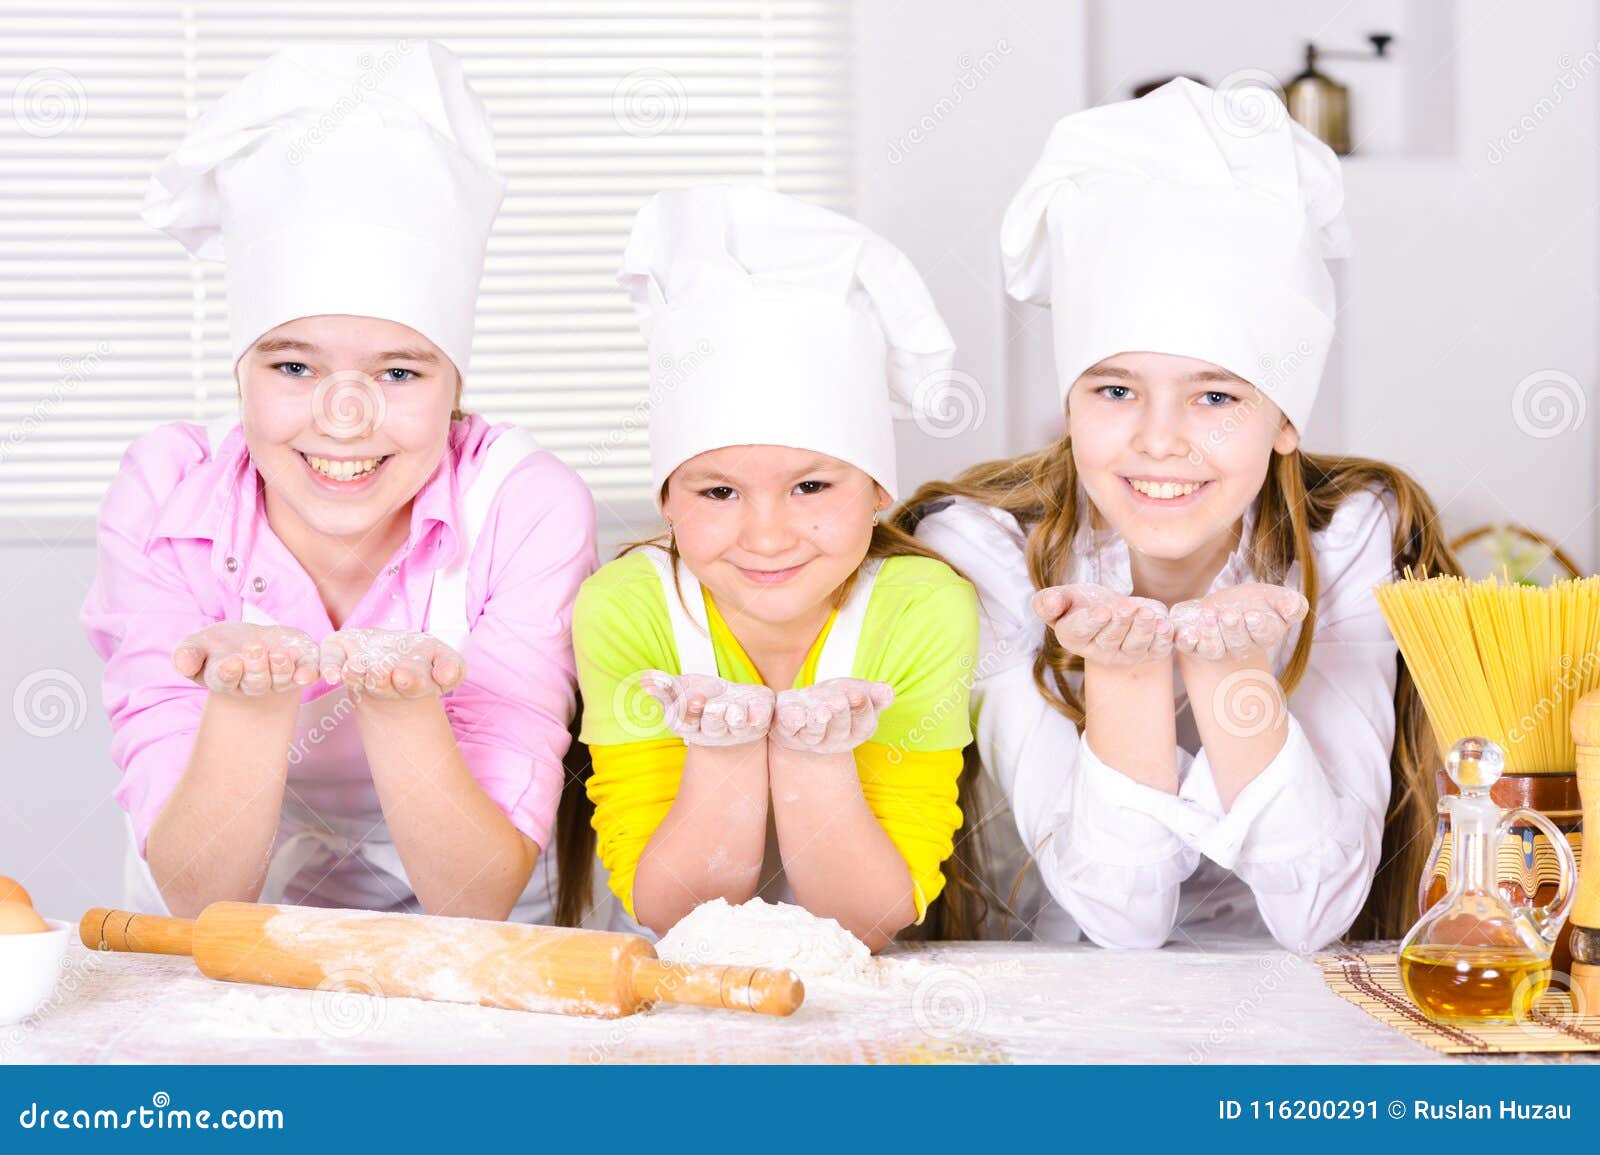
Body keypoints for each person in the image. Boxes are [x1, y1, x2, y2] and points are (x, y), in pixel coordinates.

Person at [900, 79, 1456, 951]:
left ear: (1285, 419)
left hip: (1294, 997)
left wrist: (1231, 668)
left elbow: (1318, 912)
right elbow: (1119, 920)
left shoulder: (1348, 534)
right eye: (1116, 390)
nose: (1159, 440)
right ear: (1071, 403)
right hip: (1058, 989)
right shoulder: (985, 544)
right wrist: (1123, 674)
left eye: (1215, 396)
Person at [80, 40, 596, 922]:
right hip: (220, 932)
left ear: (454, 383)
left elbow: (475, 897)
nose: (345, 418)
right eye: (294, 367)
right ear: (241, 371)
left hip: (477, 941)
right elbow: (204, 897)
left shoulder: (526, 505)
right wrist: (253, 698)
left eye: (398, 373)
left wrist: (398, 699)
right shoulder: (164, 494)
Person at [563, 185, 984, 951]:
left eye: (811, 487)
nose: (766, 536)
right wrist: (722, 752)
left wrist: (814, 756)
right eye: (719, 491)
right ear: (666, 498)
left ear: (878, 489)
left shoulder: (921, 609)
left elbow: (866, 920)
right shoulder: (626, 608)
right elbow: (674, 911)